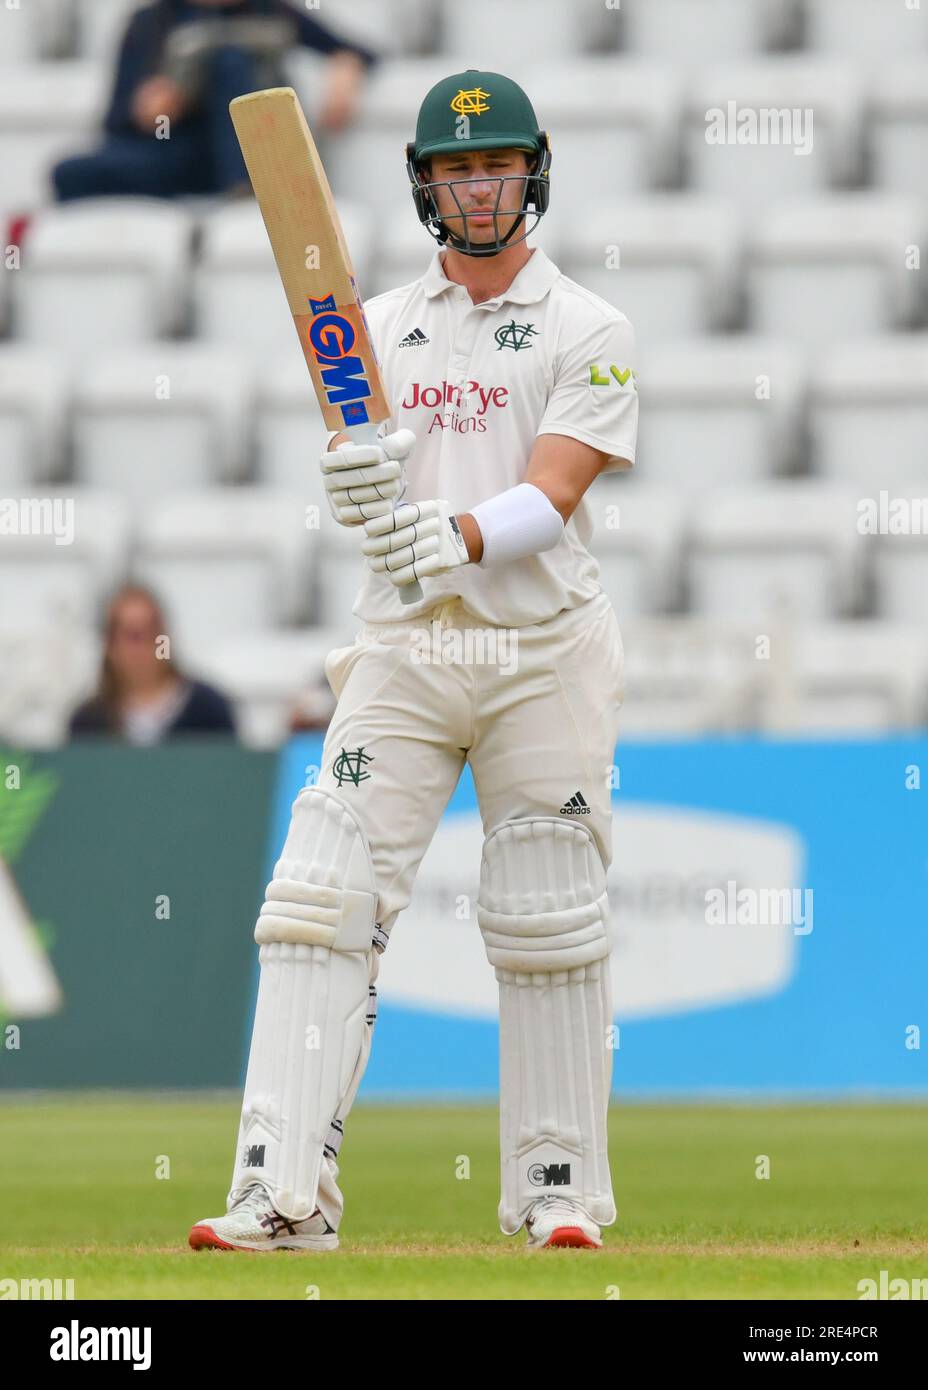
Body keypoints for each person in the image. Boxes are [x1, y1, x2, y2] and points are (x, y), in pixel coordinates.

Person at [189, 69, 638, 1253]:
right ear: (426, 186)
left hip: (540, 647)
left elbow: (557, 485)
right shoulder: (378, 324)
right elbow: (369, 473)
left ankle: (555, 1191)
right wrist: (351, 485)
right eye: (454, 171)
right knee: (317, 897)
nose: (477, 191)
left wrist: (464, 530)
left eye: (493, 169)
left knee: (546, 907)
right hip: (404, 644)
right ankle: (279, 1192)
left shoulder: (592, 326)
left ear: (529, 173)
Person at [52, 0, 377, 203]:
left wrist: (345, 68)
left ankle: (247, 189)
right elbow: (118, 120)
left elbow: (357, 50)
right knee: (69, 173)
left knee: (231, 59)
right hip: (181, 156)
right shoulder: (151, 22)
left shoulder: (269, 10)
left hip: (255, 156)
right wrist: (153, 111)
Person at [70, 585, 235, 742]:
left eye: (152, 632)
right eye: (132, 635)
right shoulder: (89, 724)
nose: (144, 645)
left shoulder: (209, 711)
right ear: (110, 645)